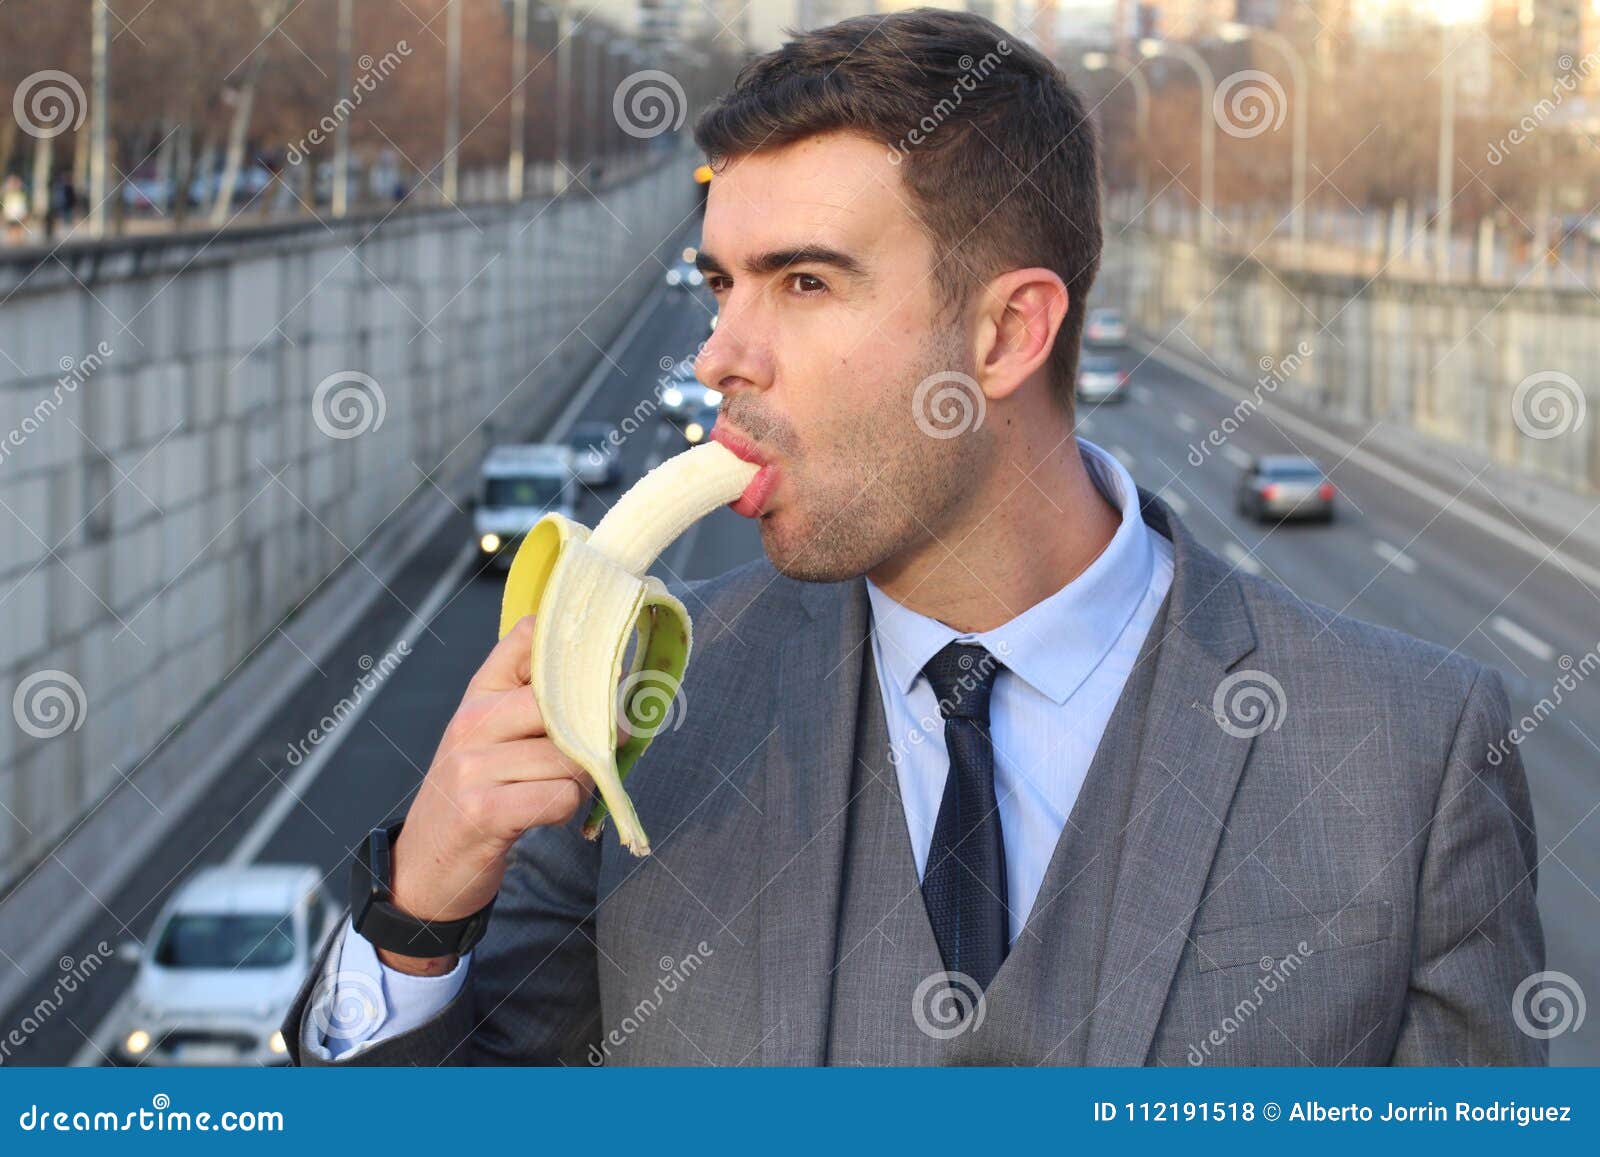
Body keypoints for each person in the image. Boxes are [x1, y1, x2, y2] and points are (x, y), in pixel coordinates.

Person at [283, 8, 1543, 1066]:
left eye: (805, 282)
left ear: (1004, 335)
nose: (719, 356)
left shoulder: (1407, 757)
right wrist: (420, 913)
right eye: (721, 284)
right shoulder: (637, 714)